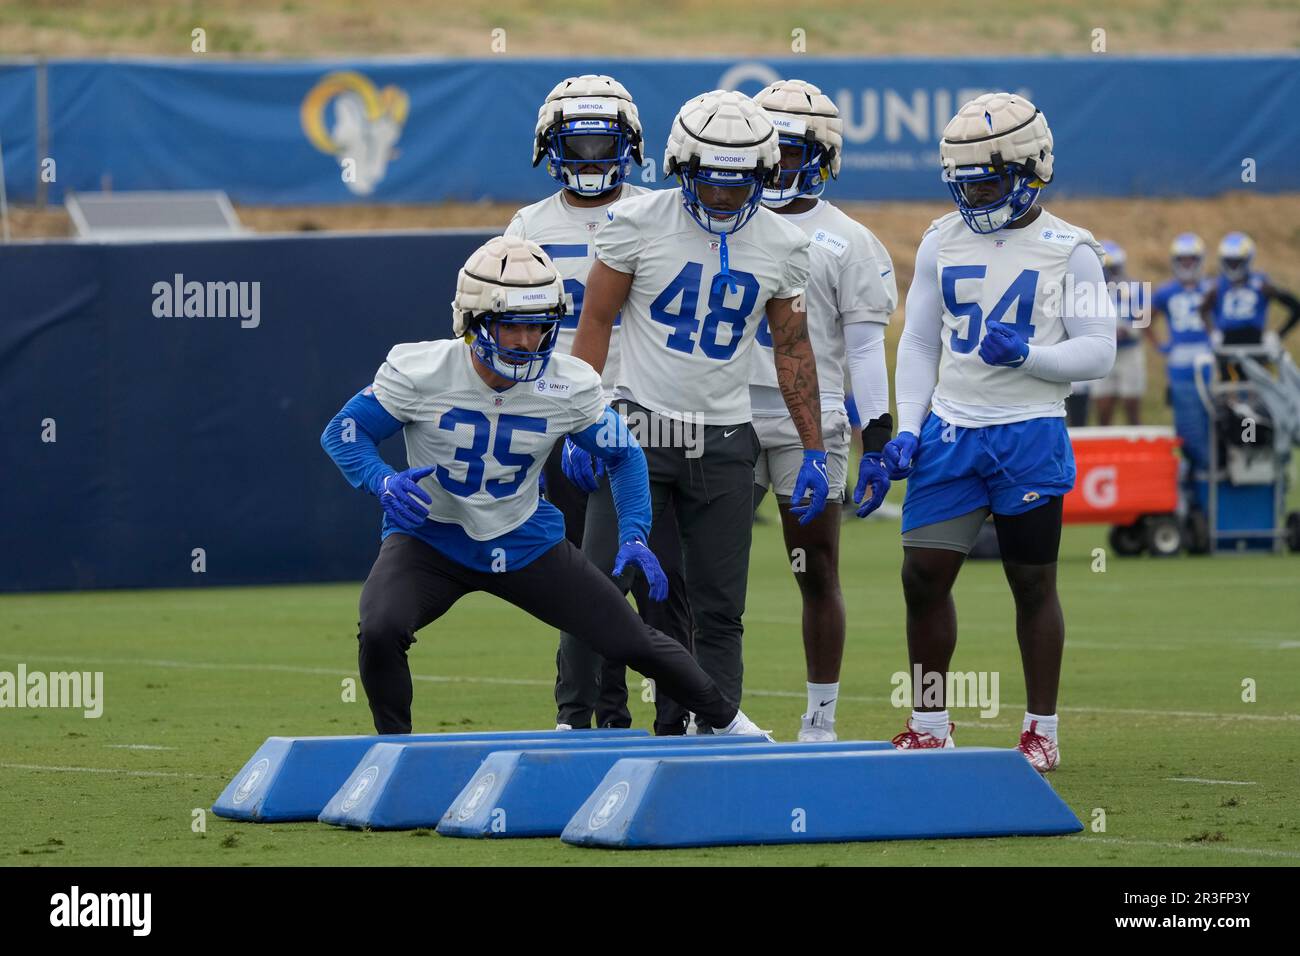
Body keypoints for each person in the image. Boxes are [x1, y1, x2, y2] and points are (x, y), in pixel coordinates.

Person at [319, 234, 767, 739]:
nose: (528, 341)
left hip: (524, 539)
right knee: (380, 628)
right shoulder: (422, 371)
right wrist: (382, 481)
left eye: (539, 327)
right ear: (474, 320)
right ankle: (393, 748)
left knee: (630, 639)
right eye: (512, 325)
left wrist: (636, 533)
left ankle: (733, 724)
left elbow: (623, 455)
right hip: (432, 537)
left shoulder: (567, 382)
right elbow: (343, 432)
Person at [567, 89, 823, 734]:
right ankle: (576, 723)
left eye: (740, 185)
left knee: (717, 607)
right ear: (682, 168)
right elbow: (596, 322)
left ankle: (708, 730)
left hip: (727, 437)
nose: (725, 198)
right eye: (711, 183)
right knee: (601, 586)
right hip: (638, 433)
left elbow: (793, 348)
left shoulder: (785, 242)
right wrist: (580, 418)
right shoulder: (636, 222)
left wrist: (814, 449)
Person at [884, 93, 1116, 772]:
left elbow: (1099, 349)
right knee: (922, 578)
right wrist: (908, 426)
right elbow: (920, 340)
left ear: (1030, 168)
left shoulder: (1070, 249)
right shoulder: (939, 239)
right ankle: (930, 721)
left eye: (986, 181)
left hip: (1029, 433)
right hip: (952, 431)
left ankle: (1041, 727)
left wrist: (1029, 357)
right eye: (965, 183)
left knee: (1032, 582)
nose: (975, 196)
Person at [503, 74, 693, 735]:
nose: (588, 161)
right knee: (583, 579)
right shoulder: (529, 224)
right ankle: (587, 715)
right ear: (549, 149)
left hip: (643, 413)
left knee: (659, 574)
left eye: (600, 145)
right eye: (574, 147)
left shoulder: (658, 211)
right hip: (561, 417)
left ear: (630, 146)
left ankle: (677, 713)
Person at [748, 79, 898, 741]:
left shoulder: (847, 241)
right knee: (708, 576)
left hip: (811, 420)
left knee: (815, 569)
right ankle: (702, 709)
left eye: (791, 148)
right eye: (769, 147)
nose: (779, 162)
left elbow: (866, 350)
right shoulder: (726, 217)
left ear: (823, 154)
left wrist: (880, 437)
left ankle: (820, 718)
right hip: (719, 412)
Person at [1148, 233, 1214, 475]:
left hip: (1209, 357)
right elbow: (1146, 320)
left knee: (1215, 415)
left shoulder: (1212, 287)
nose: (1187, 265)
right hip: (1180, 361)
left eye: (1191, 260)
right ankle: (1198, 467)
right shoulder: (1166, 291)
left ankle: (1217, 463)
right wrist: (1160, 345)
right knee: (1187, 421)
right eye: (1182, 260)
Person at [1199, 232, 1300, 378]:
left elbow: (1296, 307)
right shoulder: (1217, 286)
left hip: (1256, 346)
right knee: (1226, 392)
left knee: (1261, 390)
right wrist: (1213, 333)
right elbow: (1202, 310)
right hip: (1227, 347)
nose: (1233, 266)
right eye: (1229, 261)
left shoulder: (1261, 284)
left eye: (1237, 261)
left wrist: (1278, 335)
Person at [1091, 240, 1147, 425]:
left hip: (1128, 351)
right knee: (1103, 408)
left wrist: (1128, 331)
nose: (1109, 273)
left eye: (1112, 268)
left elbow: (1143, 322)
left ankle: (1136, 450)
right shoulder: (1089, 290)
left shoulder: (1136, 288)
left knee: (1131, 405)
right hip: (1102, 351)